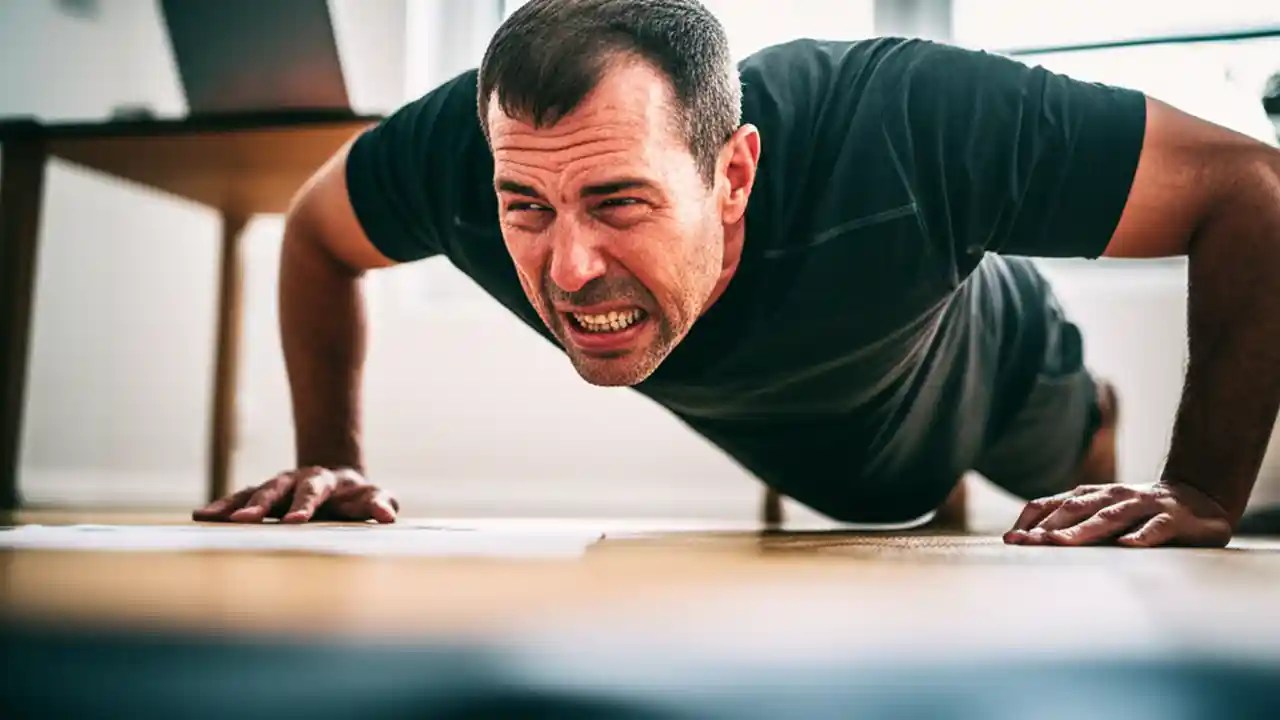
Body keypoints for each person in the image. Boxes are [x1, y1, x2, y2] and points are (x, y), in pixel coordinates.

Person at [193, 0, 1280, 548]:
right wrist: (326, 458)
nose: (567, 268)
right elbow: (315, 235)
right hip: (820, 446)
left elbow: (1250, 190)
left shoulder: (907, 121)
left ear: (734, 170)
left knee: (1044, 461)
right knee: (877, 499)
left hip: (984, 367)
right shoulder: (464, 150)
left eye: (618, 201)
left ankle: (1077, 421)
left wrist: (1197, 487)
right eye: (525, 208)